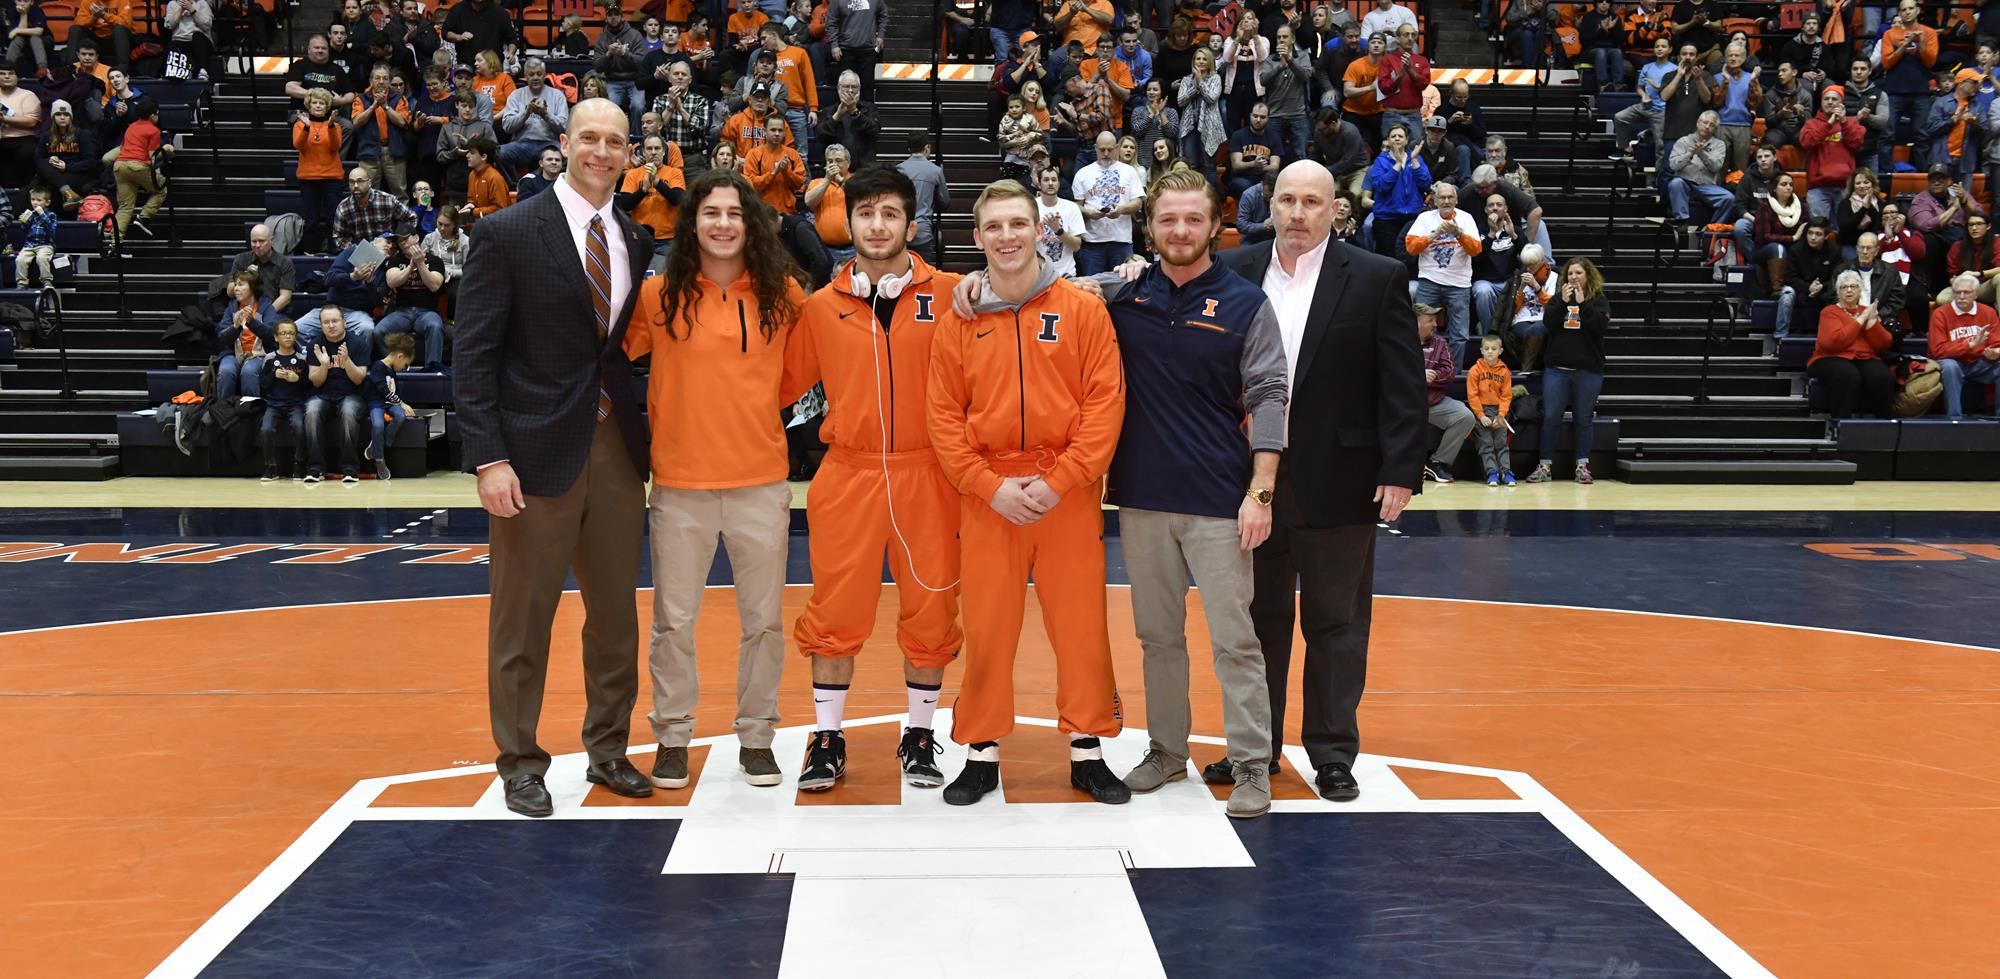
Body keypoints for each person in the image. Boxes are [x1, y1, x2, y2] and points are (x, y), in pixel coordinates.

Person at [1047, 168, 1285, 818]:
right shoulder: (1121, 297)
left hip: (1219, 500)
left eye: (1192, 219)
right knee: (1158, 638)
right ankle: (1166, 751)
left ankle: (1250, 765)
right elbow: (1051, 293)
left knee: (1235, 641)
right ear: (1149, 227)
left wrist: (1261, 491)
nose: (1180, 231)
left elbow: (1268, 394)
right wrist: (978, 285)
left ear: (1214, 226)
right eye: (1168, 219)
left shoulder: (1245, 303)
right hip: (1143, 498)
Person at [453, 99, 657, 817]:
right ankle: (520, 761)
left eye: (616, 141)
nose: (602, 151)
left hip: (616, 451)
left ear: (630, 153)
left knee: (615, 619)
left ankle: (607, 750)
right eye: (590, 138)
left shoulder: (636, 234)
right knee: (522, 617)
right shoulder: (507, 231)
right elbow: (472, 354)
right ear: (564, 144)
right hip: (532, 450)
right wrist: (488, 458)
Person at [1203, 160, 1424, 799]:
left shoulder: (1377, 277)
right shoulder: (1233, 270)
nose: (1298, 213)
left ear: (1335, 211)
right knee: (1256, 620)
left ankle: (1331, 754)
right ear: (1268, 205)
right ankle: (1256, 749)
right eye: (1287, 200)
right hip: (1247, 479)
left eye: (1312, 202)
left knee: (1336, 621)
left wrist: (1400, 469)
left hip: (1343, 477)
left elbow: (1403, 384)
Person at [927, 179, 1128, 806]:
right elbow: (943, 416)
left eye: (1018, 224)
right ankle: (981, 753)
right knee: (987, 628)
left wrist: (1060, 479)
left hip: (1065, 490)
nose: (1007, 236)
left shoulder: (1082, 309)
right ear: (977, 237)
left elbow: (1104, 404)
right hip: (989, 495)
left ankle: (1089, 751)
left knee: (1081, 626)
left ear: (1041, 229)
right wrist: (990, 486)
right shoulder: (960, 319)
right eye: (994, 227)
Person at [780, 166, 964, 791]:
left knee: (932, 608)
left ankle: (919, 735)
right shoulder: (819, 308)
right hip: (849, 473)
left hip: (929, 473)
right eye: (866, 214)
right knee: (834, 611)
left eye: (890, 213)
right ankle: (828, 738)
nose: (877, 224)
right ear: (848, 223)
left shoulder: (955, 296)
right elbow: (777, 387)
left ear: (912, 225)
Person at [625, 168, 804, 791]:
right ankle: (672, 738)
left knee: (764, 622)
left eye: (733, 212)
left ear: (748, 220)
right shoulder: (657, 296)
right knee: (674, 621)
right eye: (710, 213)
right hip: (679, 484)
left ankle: (757, 737)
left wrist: (754, 414)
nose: (723, 223)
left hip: (759, 481)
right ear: (691, 223)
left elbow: (802, 372)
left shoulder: (783, 295)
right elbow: (611, 358)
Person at [1524, 258, 1610, 484]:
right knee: (1551, 417)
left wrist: (1583, 304)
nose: (1573, 277)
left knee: (1583, 419)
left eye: (1578, 273)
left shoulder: (1598, 300)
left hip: (1587, 370)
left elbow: (1600, 327)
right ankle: (1544, 466)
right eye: (1570, 273)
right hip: (1557, 370)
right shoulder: (1557, 300)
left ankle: (1582, 466)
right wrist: (1562, 302)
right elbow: (1548, 324)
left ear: (1588, 276)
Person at [1810, 269, 1896, 419]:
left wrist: (1871, 324)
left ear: (1860, 290)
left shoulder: (1866, 311)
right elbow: (1833, 343)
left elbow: (1884, 344)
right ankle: (1839, 424)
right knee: (1847, 374)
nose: (1849, 290)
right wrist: (1860, 321)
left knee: (1883, 376)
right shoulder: (1829, 312)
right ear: (1838, 292)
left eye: (1853, 286)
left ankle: (1885, 425)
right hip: (1830, 357)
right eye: (1844, 287)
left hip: (1863, 357)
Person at [1405, 181, 1480, 351]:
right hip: (1429, 281)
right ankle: (1421, 374)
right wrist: (1436, 233)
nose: (1446, 201)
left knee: (1459, 335)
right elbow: (1411, 248)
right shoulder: (1425, 218)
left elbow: (1476, 250)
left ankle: (1453, 374)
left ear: (1457, 200)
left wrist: (1459, 234)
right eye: (1442, 198)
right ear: (1435, 201)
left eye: (1450, 197)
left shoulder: (1466, 218)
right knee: (1421, 330)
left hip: (1459, 284)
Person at [1071, 130, 1147, 275]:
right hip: (1092, 242)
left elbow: (1138, 202)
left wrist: (1121, 209)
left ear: (1117, 148)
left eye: (1110, 150)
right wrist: (1089, 212)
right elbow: (1076, 206)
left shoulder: (1129, 171)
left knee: (1123, 288)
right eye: (1102, 150)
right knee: (1092, 288)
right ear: (1095, 148)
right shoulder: (1083, 173)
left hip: (1121, 241)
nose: (1106, 153)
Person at [1416, 301, 1475, 483]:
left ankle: (1437, 462)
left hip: (1433, 403)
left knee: (1465, 416)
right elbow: (1391, 372)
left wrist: (1432, 378)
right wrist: (1418, 375)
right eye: (1430, 320)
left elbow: (1450, 372)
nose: (1435, 324)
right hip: (1404, 405)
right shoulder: (1399, 341)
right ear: (1415, 322)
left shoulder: (1440, 343)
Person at [1930, 271, 2000, 419]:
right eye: (1958, 292)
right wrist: (1970, 344)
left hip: (1980, 363)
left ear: (1976, 294)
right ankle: (1954, 418)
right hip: (1953, 362)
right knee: (1950, 366)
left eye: (1966, 292)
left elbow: (1996, 342)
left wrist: (1994, 352)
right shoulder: (1940, 314)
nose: (1961, 296)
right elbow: (1938, 351)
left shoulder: (1988, 312)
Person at [110, 95, 168, 245]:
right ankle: (144, 216)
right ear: (152, 115)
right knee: (161, 188)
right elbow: (152, 156)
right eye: (157, 113)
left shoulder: (131, 127)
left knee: (124, 207)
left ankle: (114, 244)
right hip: (136, 166)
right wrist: (167, 152)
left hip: (119, 165)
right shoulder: (153, 130)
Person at [1364, 122, 1428, 259]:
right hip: (1387, 218)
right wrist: (1398, 165)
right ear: (1388, 140)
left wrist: (1415, 161)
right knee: (1388, 259)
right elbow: (1381, 186)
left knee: (1411, 257)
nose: (1397, 139)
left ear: (1406, 140)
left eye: (1400, 136)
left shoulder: (1416, 159)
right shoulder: (1380, 161)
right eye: (1393, 136)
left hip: (1412, 216)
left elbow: (1426, 184)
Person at [1799, 86, 1865, 220]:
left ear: (1841, 103)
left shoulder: (1851, 122)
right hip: (1818, 187)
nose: (1830, 102)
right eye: (1826, 99)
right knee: (1819, 229)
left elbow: (1856, 142)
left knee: (1844, 228)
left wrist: (1844, 122)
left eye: (1834, 99)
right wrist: (1828, 124)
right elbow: (1806, 142)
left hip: (1845, 186)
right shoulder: (1811, 124)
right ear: (1821, 102)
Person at [498, 58, 568, 178]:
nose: (535, 77)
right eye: (531, 74)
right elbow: (507, 127)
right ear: (525, 76)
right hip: (522, 144)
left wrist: (545, 115)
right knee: (499, 153)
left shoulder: (557, 95)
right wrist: (526, 113)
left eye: (539, 74)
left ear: (544, 75)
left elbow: (564, 128)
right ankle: (515, 187)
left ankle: (554, 189)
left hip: (550, 143)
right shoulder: (516, 95)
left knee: (568, 153)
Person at [1666, 110, 1736, 229]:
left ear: (1715, 129)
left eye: (1712, 125)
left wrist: (1702, 154)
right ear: (1698, 123)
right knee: (1675, 183)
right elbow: (1673, 165)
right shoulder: (1683, 141)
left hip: (1707, 186)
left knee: (1729, 199)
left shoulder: (1719, 145)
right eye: (1705, 122)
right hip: (1685, 182)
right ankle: (1682, 220)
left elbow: (1716, 167)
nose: (1707, 126)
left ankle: (1712, 227)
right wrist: (1690, 154)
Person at [259, 319, 310, 481]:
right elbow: (263, 384)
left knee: (299, 427)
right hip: (273, 404)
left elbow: (308, 385)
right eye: (283, 333)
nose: (288, 336)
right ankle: (270, 467)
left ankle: (299, 465)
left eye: (291, 333)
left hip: (295, 404)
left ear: (295, 337)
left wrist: (297, 379)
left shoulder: (302, 359)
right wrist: (273, 376)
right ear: (276, 337)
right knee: (265, 429)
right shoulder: (269, 358)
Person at [215, 270, 275, 401]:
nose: (236, 288)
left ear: (252, 287)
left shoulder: (266, 306)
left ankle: (252, 412)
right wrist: (235, 327)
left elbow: (271, 335)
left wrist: (252, 323)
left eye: (241, 284)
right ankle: (223, 411)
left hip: (259, 353)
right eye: (235, 284)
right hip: (233, 353)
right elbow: (222, 338)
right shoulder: (232, 307)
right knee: (226, 371)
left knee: (249, 372)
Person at [362, 332, 415, 479]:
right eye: (405, 364)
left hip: (390, 403)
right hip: (376, 403)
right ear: (399, 356)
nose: (404, 368)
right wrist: (402, 403)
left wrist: (400, 406)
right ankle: (379, 460)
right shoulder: (378, 366)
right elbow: (384, 391)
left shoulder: (392, 368)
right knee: (378, 425)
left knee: (400, 416)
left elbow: (393, 390)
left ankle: (378, 446)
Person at [1465, 334, 1515, 486]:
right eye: (1486, 349)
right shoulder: (1474, 370)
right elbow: (1472, 396)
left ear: (1500, 351)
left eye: (1494, 349)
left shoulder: (1505, 372)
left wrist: (1501, 415)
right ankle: (1492, 473)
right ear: (1481, 350)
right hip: (1482, 412)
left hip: (1499, 412)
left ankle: (1506, 472)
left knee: (1501, 443)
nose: (1490, 352)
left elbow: (1506, 396)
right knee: (1486, 444)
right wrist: (1481, 416)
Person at [1838, 232, 1906, 340]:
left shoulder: (1890, 272)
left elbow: (1897, 300)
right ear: (1856, 249)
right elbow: (1833, 297)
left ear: (1876, 251)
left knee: (1894, 327)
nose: (1864, 252)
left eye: (1869, 248)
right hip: (1849, 317)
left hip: (1879, 318)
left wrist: (1878, 315)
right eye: (1861, 248)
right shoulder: (1842, 270)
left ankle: (1890, 357)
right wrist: (1850, 315)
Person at [1752, 172, 1807, 296]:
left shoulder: (1801, 207)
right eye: (1784, 184)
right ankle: (1777, 290)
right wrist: (1792, 238)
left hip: (1792, 248)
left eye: (1791, 185)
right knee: (1778, 248)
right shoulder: (1764, 207)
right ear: (1774, 189)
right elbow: (1764, 237)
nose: (1789, 187)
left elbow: (1805, 230)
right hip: (1765, 249)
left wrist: (1796, 239)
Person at [898, 132, 948, 264]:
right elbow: (945, 201)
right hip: (923, 230)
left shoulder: (899, 170)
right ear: (927, 147)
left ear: (909, 149)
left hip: (901, 230)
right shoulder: (935, 171)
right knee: (923, 271)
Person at [1504, 242, 1555, 370]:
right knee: (1528, 332)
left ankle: (1525, 369)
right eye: (1525, 265)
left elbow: (1554, 307)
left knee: (1537, 329)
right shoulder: (1518, 278)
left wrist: (1537, 288)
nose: (1528, 269)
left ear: (1541, 262)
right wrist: (1521, 289)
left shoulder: (1553, 278)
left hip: (1543, 318)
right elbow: (1513, 310)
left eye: (1531, 265)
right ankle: (1536, 366)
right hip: (1522, 319)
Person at [1709, 43, 1760, 172]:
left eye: (1737, 55)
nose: (1733, 58)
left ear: (1743, 58)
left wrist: (1753, 82)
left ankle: (1737, 192)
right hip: (1722, 125)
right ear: (1725, 58)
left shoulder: (1751, 77)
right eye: (1730, 55)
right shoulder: (1717, 78)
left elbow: (1754, 103)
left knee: (1740, 167)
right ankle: (1719, 191)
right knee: (1719, 166)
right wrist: (1725, 82)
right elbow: (1716, 102)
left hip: (1743, 125)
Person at [1176, 45, 1225, 176]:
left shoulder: (1216, 78)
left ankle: (1211, 196)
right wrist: (1194, 87)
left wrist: (1200, 82)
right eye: (1198, 58)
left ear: (1209, 61)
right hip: (1190, 127)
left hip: (1209, 127)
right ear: (1194, 61)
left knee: (1209, 165)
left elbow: (1211, 98)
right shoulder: (1186, 80)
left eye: (1204, 58)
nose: (1201, 61)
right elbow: (1180, 101)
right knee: (1192, 165)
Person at [827, 0, 885, 104]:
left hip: (868, 49)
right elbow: (831, 22)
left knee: (867, 87)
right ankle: (844, 117)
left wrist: (880, 35)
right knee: (845, 88)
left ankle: (868, 117)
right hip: (845, 50)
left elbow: (883, 15)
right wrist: (834, 45)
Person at [1033, 163, 1084, 277]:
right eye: (1046, 180)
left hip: (1066, 274)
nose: (1050, 183)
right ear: (1039, 184)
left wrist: (1058, 230)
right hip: (1038, 274)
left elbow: (1076, 246)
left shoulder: (1071, 207)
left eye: (1054, 180)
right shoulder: (1031, 207)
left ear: (1059, 183)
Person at [1226, 101, 1280, 201]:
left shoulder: (1274, 137)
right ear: (1250, 116)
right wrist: (1253, 164)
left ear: (1268, 118)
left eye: (1262, 117)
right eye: (1255, 116)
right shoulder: (1238, 135)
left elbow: (1275, 167)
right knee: (1247, 187)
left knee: (1274, 184)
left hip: (1264, 178)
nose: (1258, 120)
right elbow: (1236, 166)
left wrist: (1262, 168)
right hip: (1241, 177)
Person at [1944, 211, 2000, 307]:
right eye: (1971, 225)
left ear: (1988, 226)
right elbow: (1952, 274)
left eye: (1978, 224)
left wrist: (1979, 273)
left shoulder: (1996, 243)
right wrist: (1958, 281)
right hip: (1963, 287)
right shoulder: (1958, 246)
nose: (1974, 228)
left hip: (1985, 286)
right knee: (1942, 299)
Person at [460, 135, 510, 217]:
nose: (467, 155)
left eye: (472, 153)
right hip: (482, 223)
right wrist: (470, 205)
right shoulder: (472, 175)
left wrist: (473, 212)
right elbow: (471, 199)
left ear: (483, 157)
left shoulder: (495, 178)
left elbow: (500, 209)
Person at [1834, 168, 1882, 253]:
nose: (1862, 186)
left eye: (1866, 182)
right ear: (1853, 186)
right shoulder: (1845, 203)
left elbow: (1878, 225)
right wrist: (1864, 208)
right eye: (1858, 183)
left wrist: (1869, 204)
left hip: (1873, 245)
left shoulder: (1880, 202)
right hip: (1850, 244)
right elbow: (1845, 227)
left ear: (1872, 184)